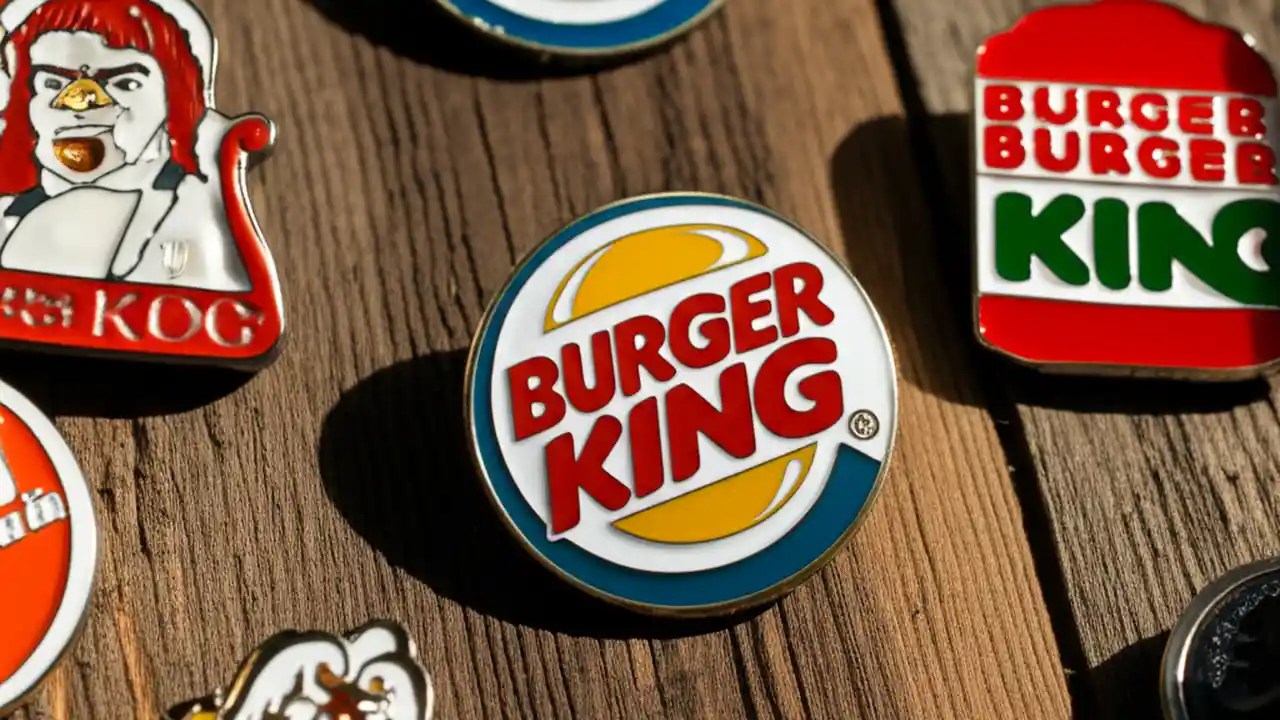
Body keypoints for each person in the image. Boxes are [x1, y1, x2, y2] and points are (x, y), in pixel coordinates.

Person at [0, 0, 251, 291]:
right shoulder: (7, 212)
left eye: (125, 84)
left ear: (174, 99)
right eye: (53, 84)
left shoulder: (194, 212)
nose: (80, 103)